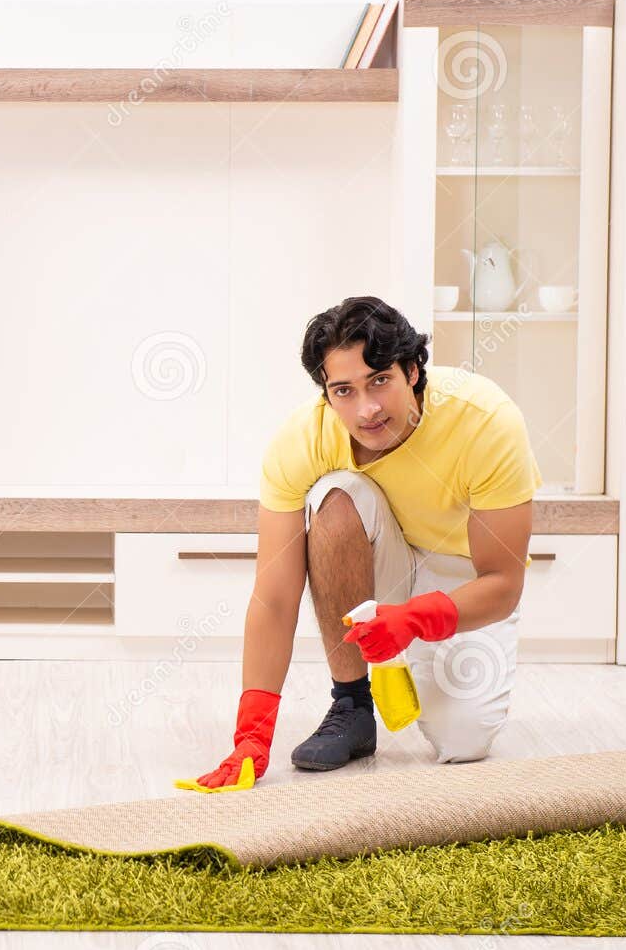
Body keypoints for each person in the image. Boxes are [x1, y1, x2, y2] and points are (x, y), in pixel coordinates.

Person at [189, 295, 540, 786]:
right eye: (344, 391)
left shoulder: (485, 420)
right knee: (335, 494)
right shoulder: (302, 440)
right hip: (384, 553)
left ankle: (416, 670)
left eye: (379, 381)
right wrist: (252, 733)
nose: (367, 409)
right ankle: (352, 704)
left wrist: (414, 619)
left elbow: (503, 582)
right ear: (326, 393)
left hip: (462, 574)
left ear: (412, 371)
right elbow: (274, 597)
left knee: (462, 741)